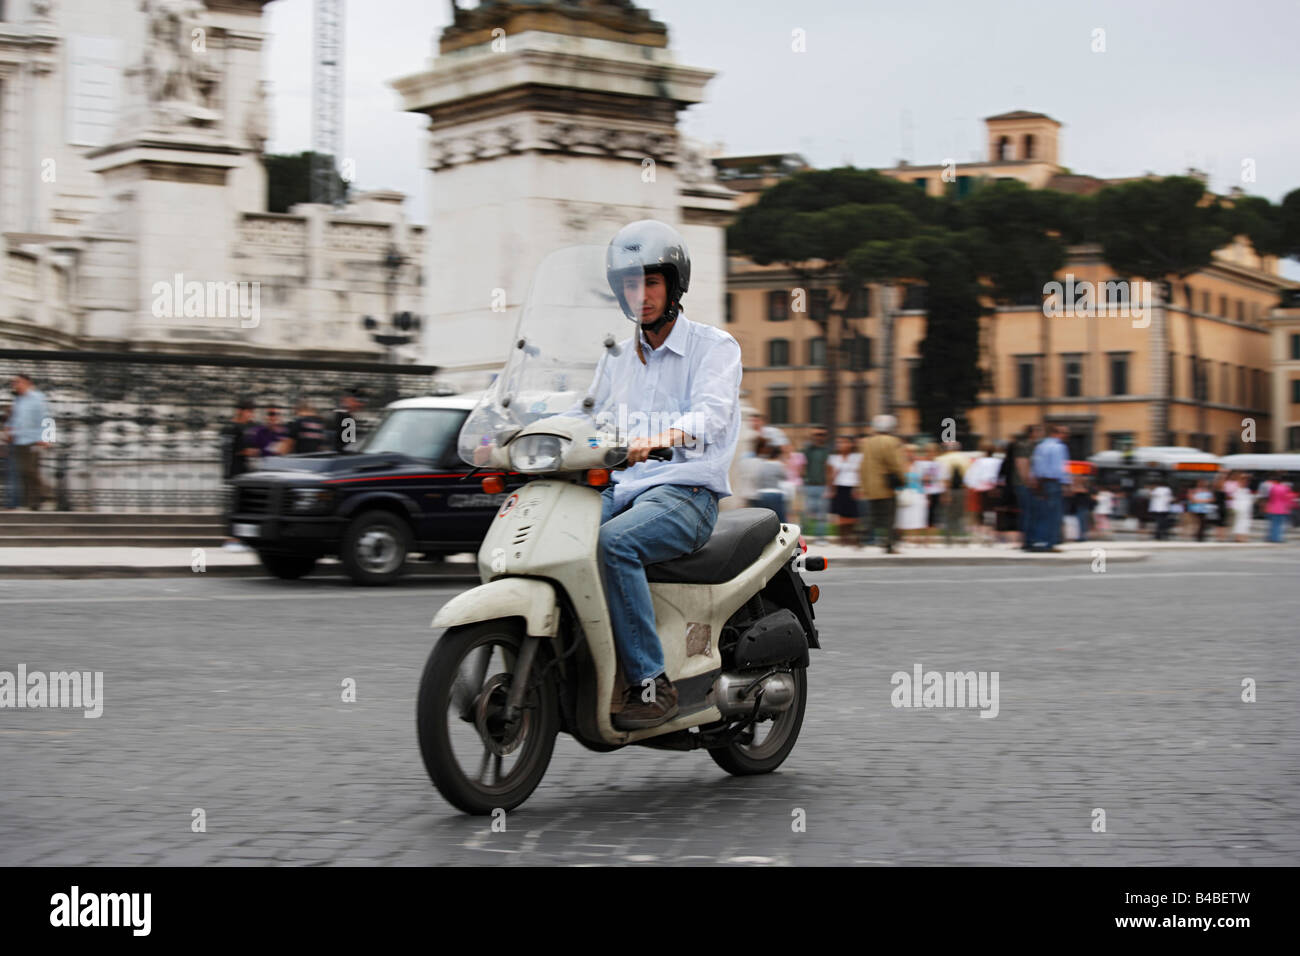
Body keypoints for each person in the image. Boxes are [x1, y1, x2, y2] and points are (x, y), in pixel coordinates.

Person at [587, 221, 741, 731]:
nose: (641, 295)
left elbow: (712, 415)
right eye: (630, 284)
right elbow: (588, 414)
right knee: (558, 536)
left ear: (674, 286)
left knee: (613, 544)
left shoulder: (713, 347)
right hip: (623, 488)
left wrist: (662, 438)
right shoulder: (615, 357)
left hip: (687, 491)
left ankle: (651, 686)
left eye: (651, 282)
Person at [858, 415, 906, 553]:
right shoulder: (892, 441)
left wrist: (863, 485)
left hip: (871, 486)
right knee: (890, 516)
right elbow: (895, 463)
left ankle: (863, 532)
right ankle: (889, 545)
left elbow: (863, 465)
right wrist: (902, 479)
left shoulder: (867, 443)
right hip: (886, 485)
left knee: (874, 514)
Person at [7, 373, 54, 511]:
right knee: (24, 472)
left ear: (27, 383)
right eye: (14, 383)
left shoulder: (37, 398)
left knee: (30, 470)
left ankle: (46, 493)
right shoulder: (19, 400)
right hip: (19, 440)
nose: (15, 385)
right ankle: (34, 503)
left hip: (34, 440)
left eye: (17, 382)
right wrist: (9, 430)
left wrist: (46, 438)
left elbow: (47, 417)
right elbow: (15, 418)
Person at [1028, 424, 1068, 551]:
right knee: (1053, 515)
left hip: (1041, 483)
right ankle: (1050, 543)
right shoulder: (1058, 447)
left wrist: (1035, 481)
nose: (1066, 436)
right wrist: (1066, 483)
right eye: (1064, 433)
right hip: (1054, 483)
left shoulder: (1040, 446)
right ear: (1057, 433)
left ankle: (1038, 541)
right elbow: (1059, 468)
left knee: (1041, 513)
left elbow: (1035, 466)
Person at [826, 435, 862, 545]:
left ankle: (851, 535)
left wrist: (858, 488)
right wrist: (831, 489)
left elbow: (859, 473)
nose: (842, 445)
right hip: (839, 487)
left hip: (852, 487)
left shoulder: (857, 457)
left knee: (852, 514)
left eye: (845, 442)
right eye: (839, 443)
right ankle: (842, 537)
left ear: (851, 444)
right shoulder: (833, 458)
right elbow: (829, 475)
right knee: (840, 514)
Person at [1012, 424, 1041, 550]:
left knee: (1030, 512)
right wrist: (1027, 481)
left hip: (1028, 483)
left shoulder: (1035, 446)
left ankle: (1030, 539)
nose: (1040, 434)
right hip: (1023, 484)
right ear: (1032, 433)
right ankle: (1027, 541)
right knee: (1028, 512)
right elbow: (1021, 463)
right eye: (1038, 431)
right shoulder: (1024, 445)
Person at [801, 427, 831, 541]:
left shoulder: (827, 451)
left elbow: (829, 469)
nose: (819, 437)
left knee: (822, 515)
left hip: (822, 485)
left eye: (822, 434)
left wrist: (829, 486)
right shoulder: (808, 450)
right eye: (817, 434)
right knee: (805, 513)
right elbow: (803, 465)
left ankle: (821, 538)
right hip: (809, 485)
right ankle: (799, 537)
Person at [895, 444, 928, 544]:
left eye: (913, 452)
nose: (910, 454)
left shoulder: (920, 465)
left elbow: (926, 480)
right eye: (908, 452)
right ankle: (903, 538)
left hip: (917, 494)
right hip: (903, 494)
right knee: (902, 517)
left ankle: (915, 538)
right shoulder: (899, 465)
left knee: (917, 516)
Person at [331, 387, 367, 452]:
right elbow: (348, 446)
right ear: (347, 400)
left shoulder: (342, 416)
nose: (361, 404)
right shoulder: (346, 419)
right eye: (357, 401)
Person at [1264, 473, 1294, 543]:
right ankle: (1277, 538)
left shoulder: (1273, 488)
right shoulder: (1286, 488)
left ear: (1275, 481)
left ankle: (1272, 538)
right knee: (1280, 525)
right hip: (1282, 509)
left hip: (1273, 508)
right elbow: (1288, 498)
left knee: (1273, 524)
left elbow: (1270, 498)